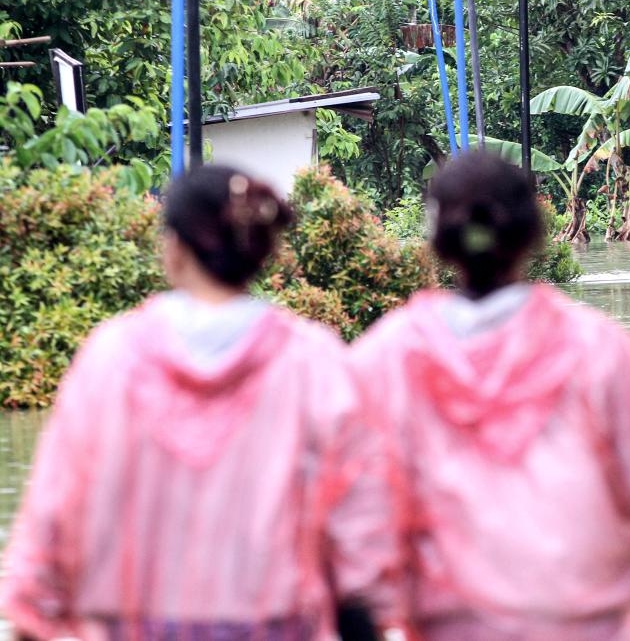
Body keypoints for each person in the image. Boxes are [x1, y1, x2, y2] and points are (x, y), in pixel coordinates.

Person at [351, 151, 630, 640]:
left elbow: (356, 515)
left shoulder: (385, 357)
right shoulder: (593, 344)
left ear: (438, 240)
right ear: (533, 235)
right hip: (581, 620)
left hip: (451, 622)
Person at [0, 166, 400, 640]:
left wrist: (32, 613)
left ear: (173, 248)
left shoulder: (112, 357)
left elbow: (54, 512)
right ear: (259, 251)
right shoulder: (312, 361)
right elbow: (364, 527)